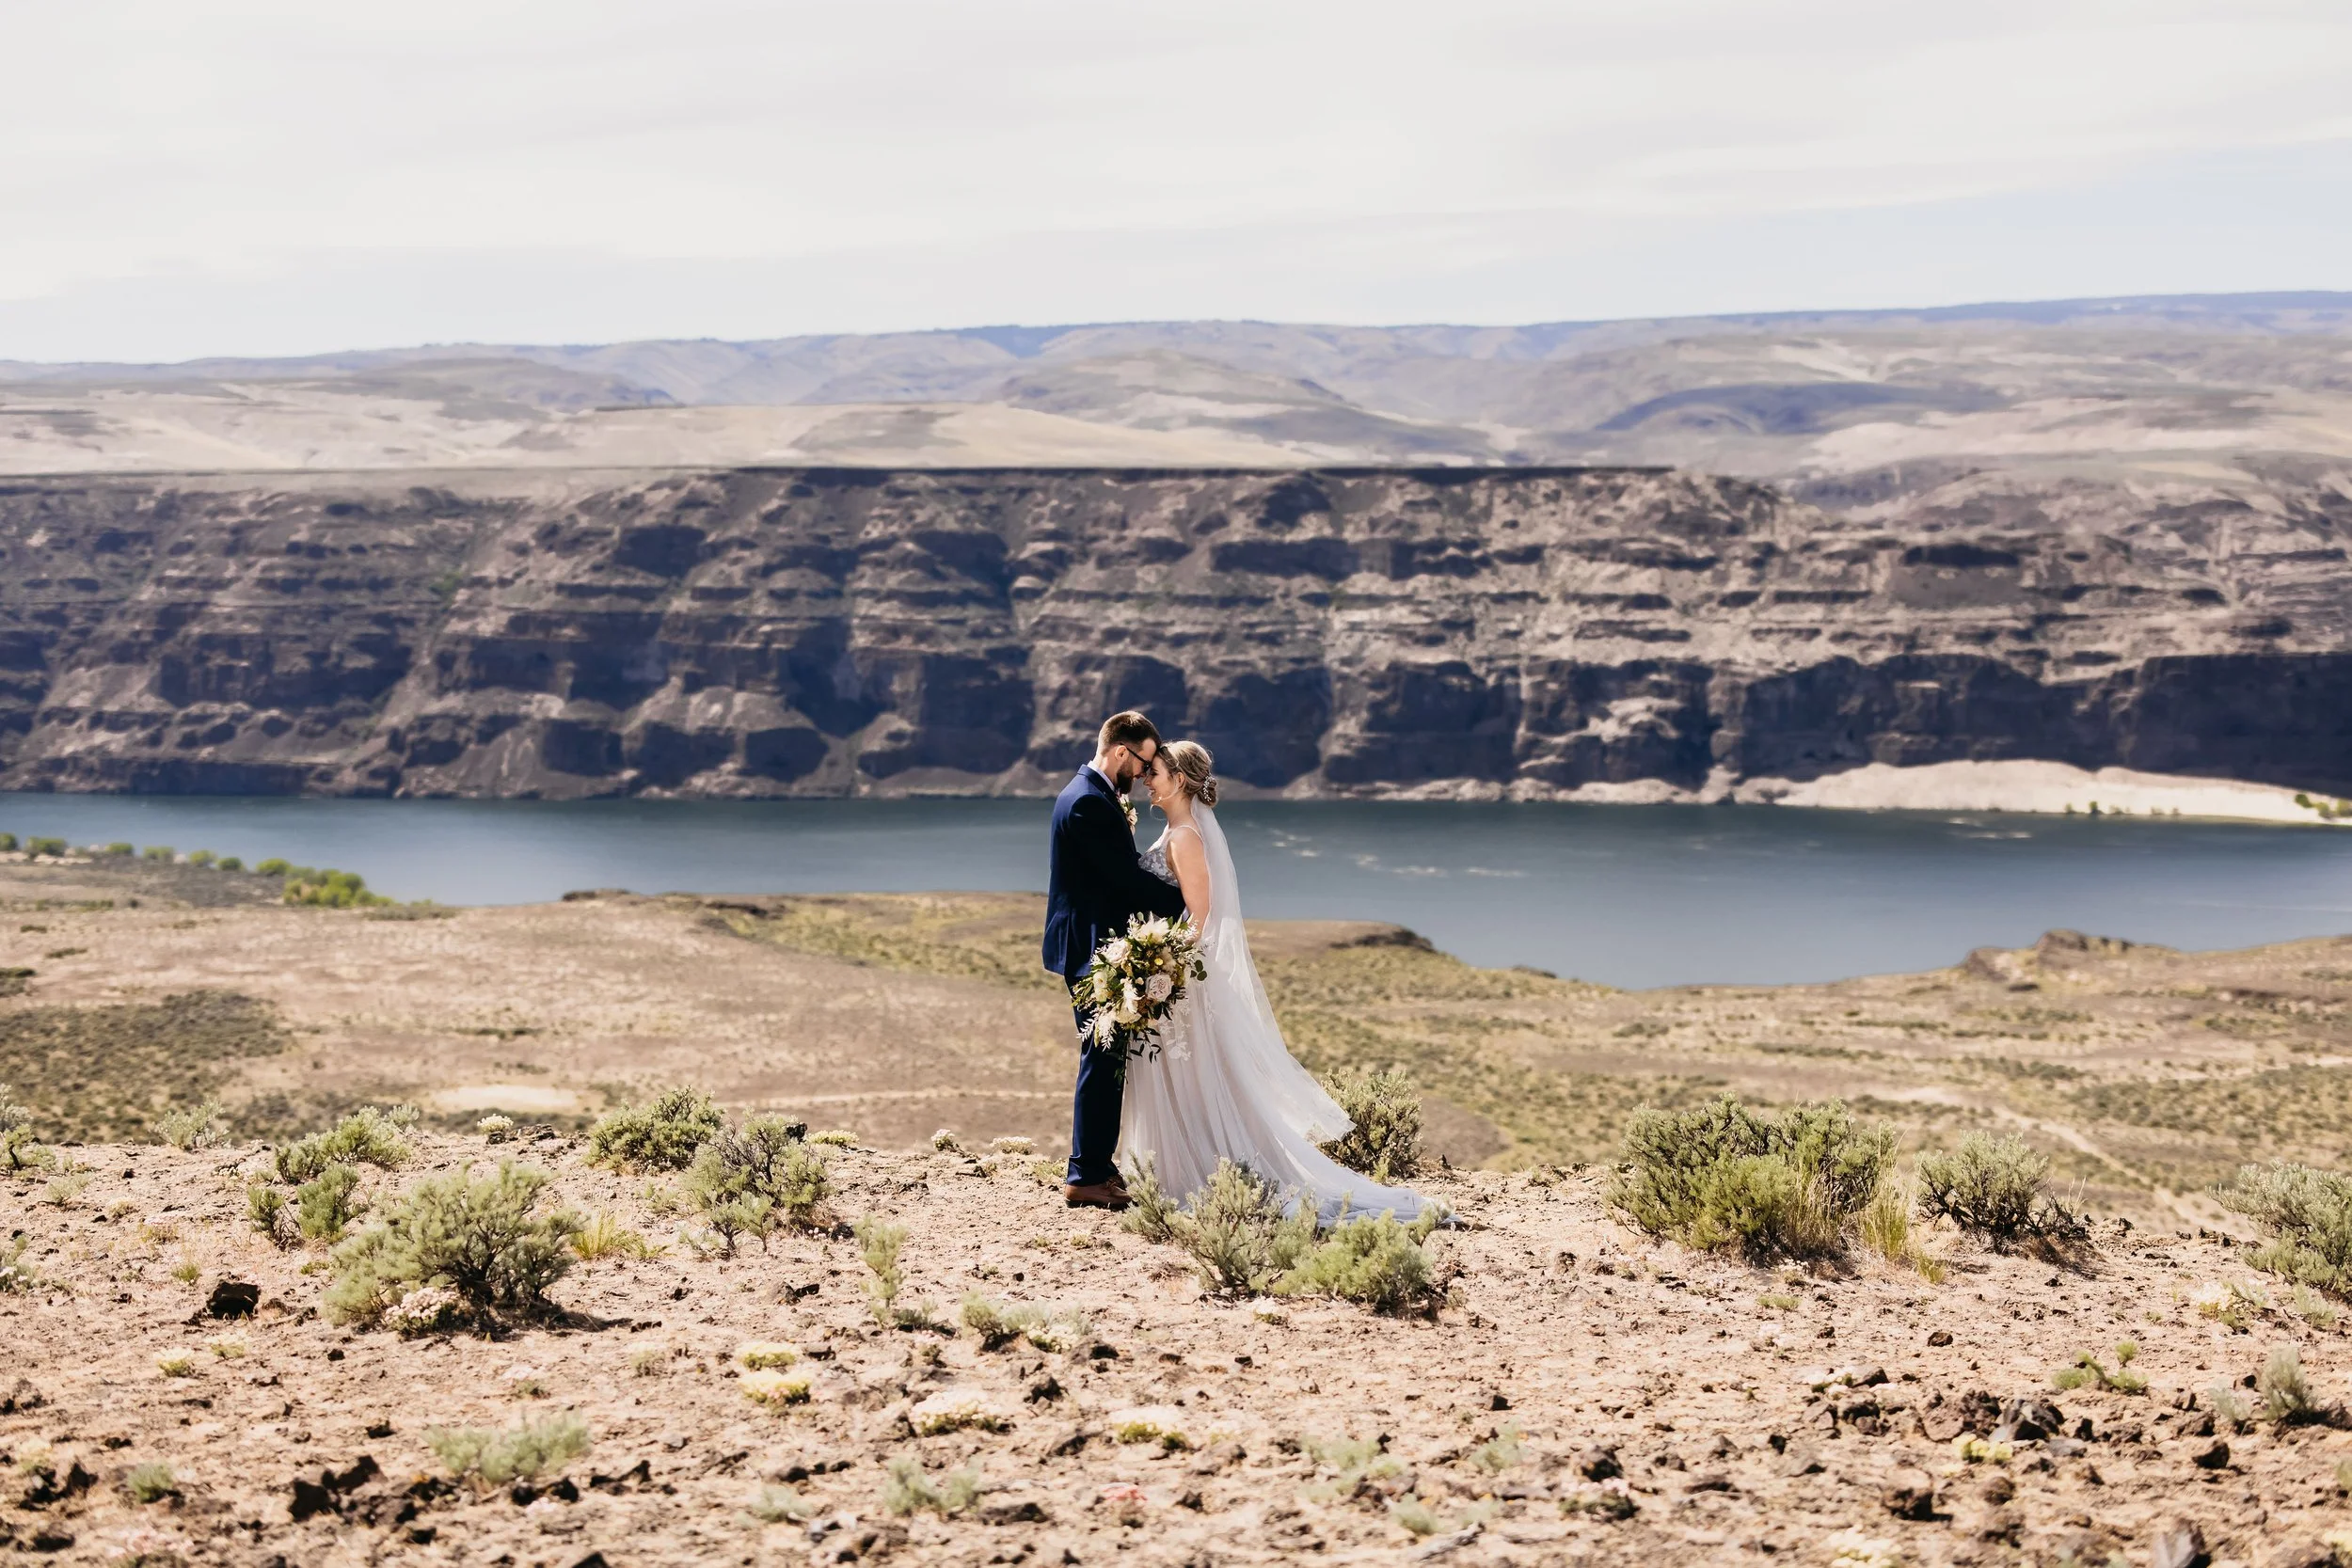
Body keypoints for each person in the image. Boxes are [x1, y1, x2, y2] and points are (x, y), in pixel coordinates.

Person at [1123, 738, 1437, 1224]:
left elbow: (1201, 916)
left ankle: (1202, 1172)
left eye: (1156, 772)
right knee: (1187, 1081)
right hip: (1177, 977)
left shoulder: (1185, 837)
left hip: (1180, 981)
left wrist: (1163, 968)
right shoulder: (1177, 830)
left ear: (1180, 780)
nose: (1147, 778)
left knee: (1193, 1081)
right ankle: (1177, 1167)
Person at [1041, 711, 1188, 1210]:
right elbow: (1124, 881)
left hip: (1091, 944)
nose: (1146, 774)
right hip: (1089, 950)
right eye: (1144, 762)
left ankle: (1098, 1166)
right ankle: (1085, 1175)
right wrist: (1185, 898)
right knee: (1101, 1059)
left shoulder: (1095, 795)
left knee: (1107, 1058)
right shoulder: (1087, 803)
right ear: (1121, 752)